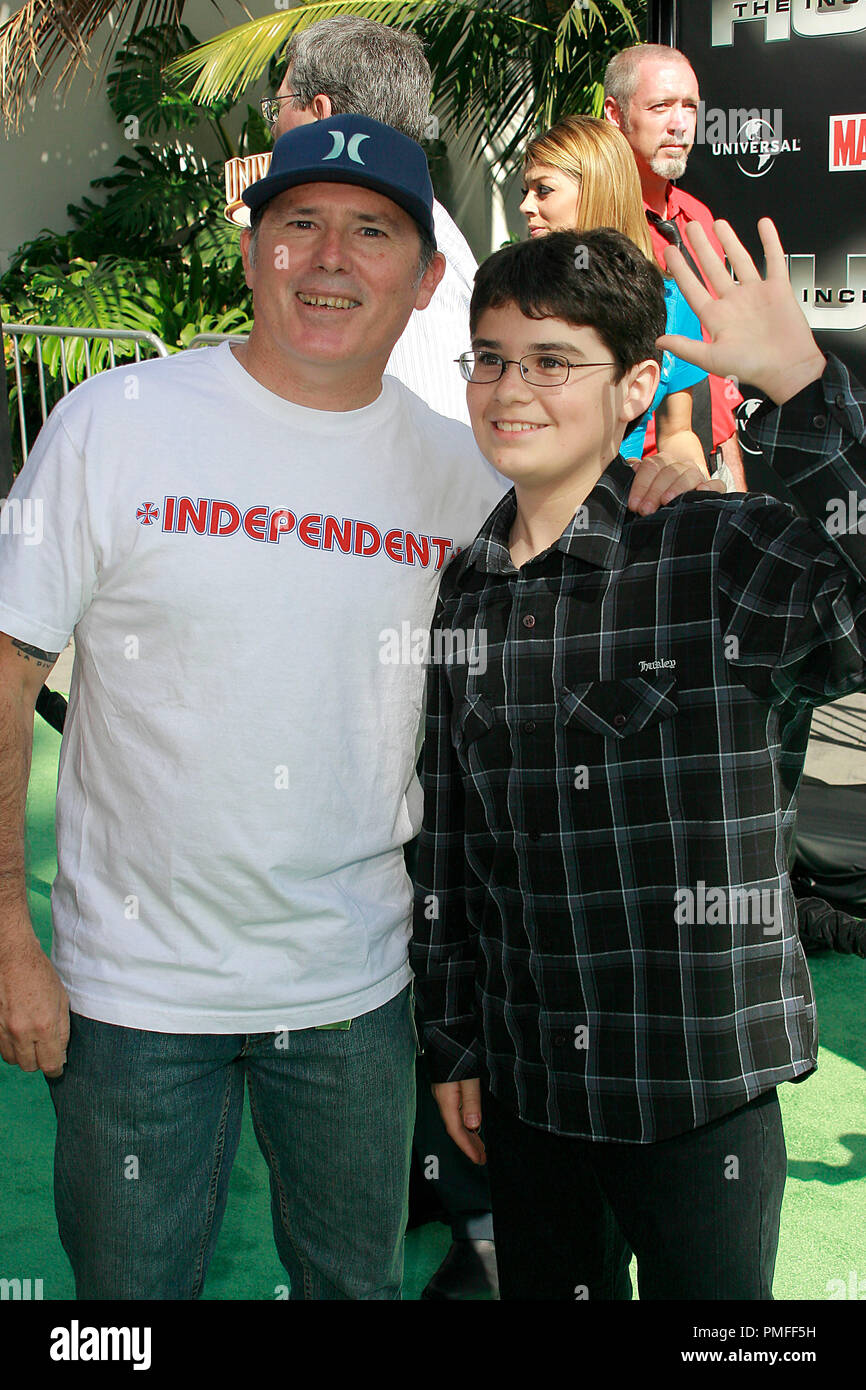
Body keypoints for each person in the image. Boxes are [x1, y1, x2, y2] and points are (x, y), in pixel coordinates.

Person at [0, 116, 715, 1301]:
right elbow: (13, 670)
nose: (330, 259)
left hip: (355, 992)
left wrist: (668, 469)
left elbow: (609, 539)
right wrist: (7, 935)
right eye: (299, 225)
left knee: (356, 1289)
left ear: (424, 277)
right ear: (252, 247)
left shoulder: (466, 462)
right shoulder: (113, 427)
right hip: (131, 992)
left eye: (371, 231)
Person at [410, 214, 866, 1299]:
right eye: (491, 359)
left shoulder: (714, 547)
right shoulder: (464, 587)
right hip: (527, 1098)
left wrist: (801, 381)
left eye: (553, 361)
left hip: (695, 1093)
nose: (510, 388)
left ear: (635, 387)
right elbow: (449, 840)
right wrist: (454, 1044)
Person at [266, 15, 477, 425]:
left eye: (278, 108)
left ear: (321, 112)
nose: (273, 126)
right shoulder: (425, 233)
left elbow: (435, 430)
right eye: (304, 224)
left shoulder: (416, 259)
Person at [519, 114, 708, 473]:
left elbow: (678, 431)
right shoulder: (514, 296)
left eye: (543, 190)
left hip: (617, 512)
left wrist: (680, 478)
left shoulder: (672, 301)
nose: (527, 206)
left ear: (597, 189)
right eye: (526, 191)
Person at [604, 42, 747, 488]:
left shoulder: (698, 218)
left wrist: (730, 467)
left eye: (689, 106)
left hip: (709, 459)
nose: (679, 124)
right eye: (661, 106)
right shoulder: (592, 223)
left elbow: (714, 358)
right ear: (616, 114)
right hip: (633, 479)